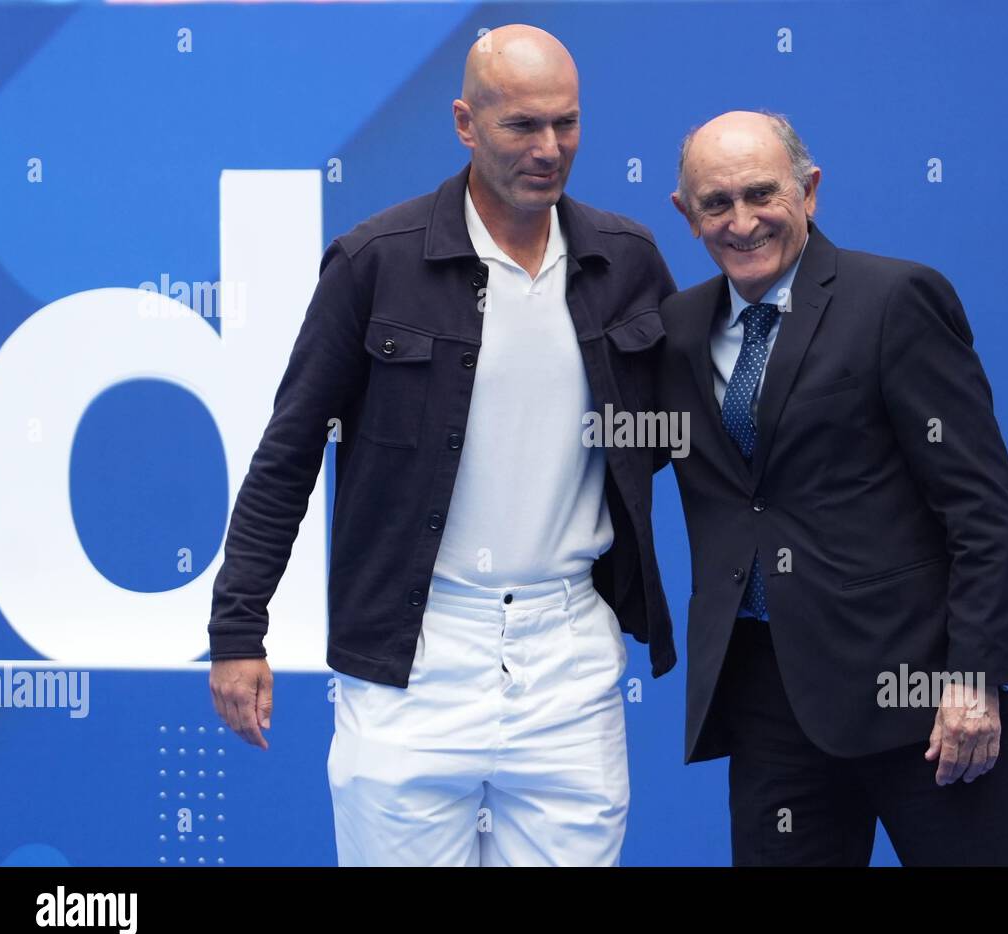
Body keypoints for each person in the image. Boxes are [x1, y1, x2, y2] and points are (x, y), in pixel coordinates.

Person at [208, 24, 676, 866]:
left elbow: (695, 443)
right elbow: (288, 454)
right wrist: (238, 630)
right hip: (411, 660)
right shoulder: (373, 262)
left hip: (569, 655)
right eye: (521, 126)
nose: (549, 148)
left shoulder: (627, 260)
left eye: (566, 123)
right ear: (465, 123)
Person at [656, 110, 1008, 865]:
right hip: (769, 702)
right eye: (716, 203)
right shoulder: (677, 330)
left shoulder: (894, 300)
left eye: (762, 194)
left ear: (810, 191)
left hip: (926, 701)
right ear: (685, 214)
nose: (742, 222)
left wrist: (975, 676)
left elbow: (982, 508)